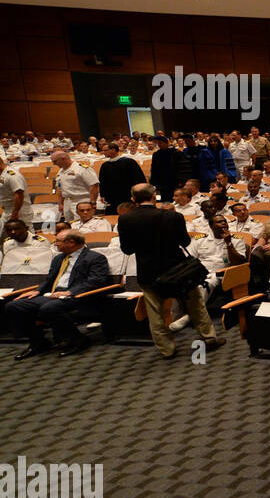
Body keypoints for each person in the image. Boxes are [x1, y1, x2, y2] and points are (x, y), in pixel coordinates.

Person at [117, 184, 226, 358]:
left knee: (155, 313)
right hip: (178, 270)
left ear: (133, 199)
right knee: (196, 305)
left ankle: (166, 350)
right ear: (154, 197)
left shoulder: (125, 220)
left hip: (148, 272)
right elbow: (184, 241)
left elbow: (127, 249)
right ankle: (209, 338)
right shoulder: (173, 216)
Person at [5, 229, 113, 358]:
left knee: (49, 308)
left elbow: (96, 281)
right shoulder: (58, 258)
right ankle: (38, 342)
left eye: (58, 241)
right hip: (54, 295)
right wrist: (37, 290)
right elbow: (49, 280)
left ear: (71, 242)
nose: (55, 244)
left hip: (79, 296)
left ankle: (78, 339)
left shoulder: (95, 258)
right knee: (14, 305)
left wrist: (70, 292)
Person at [52, 151, 99, 222]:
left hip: (82, 201)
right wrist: (60, 203)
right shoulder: (60, 172)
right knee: (69, 225)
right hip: (67, 202)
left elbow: (94, 185)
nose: (54, 164)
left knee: (83, 224)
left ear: (63, 158)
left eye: (55, 161)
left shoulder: (82, 169)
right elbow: (59, 189)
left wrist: (93, 202)